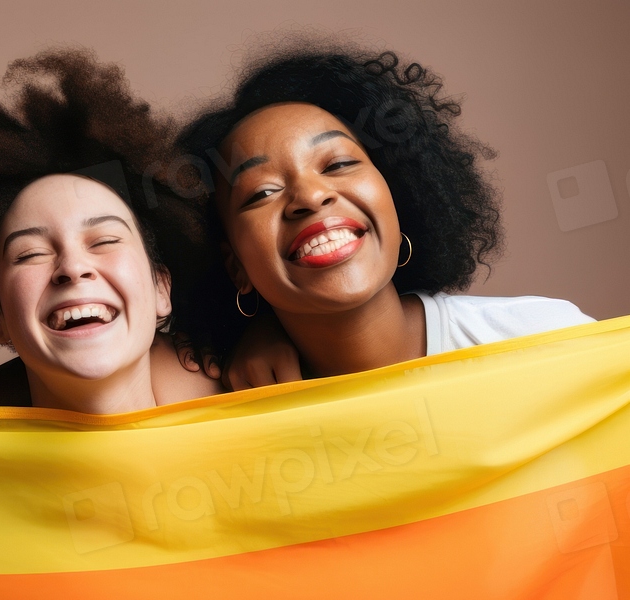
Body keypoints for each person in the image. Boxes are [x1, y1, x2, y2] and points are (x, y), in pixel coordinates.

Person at [176, 43, 593, 382]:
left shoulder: (547, 338)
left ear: (395, 197)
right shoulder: (228, 408)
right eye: (263, 191)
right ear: (236, 267)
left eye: (338, 164)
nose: (311, 196)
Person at [0, 50, 231, 413]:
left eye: (105, 241)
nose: (72, 268)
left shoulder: (258, 404)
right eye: (31, 253)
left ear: (161, 287)